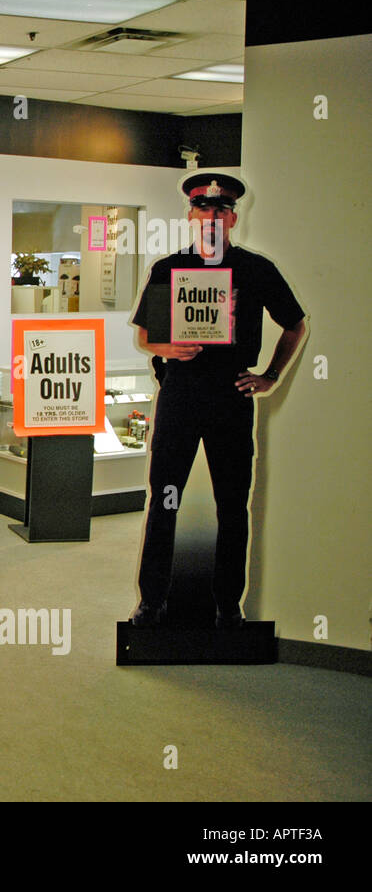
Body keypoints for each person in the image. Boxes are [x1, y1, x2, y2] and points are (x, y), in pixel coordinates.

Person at [129, 172, 307, 628]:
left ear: (233, 217)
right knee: (165, 497)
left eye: (221, 210)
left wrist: (270, 375)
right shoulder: (168, 268)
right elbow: (147, 335)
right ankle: (152, 601)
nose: (212, 217)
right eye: (203, 209)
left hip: (231, 396)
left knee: (233, 502)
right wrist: (167, 349)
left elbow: (295, 324)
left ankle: (229, 604)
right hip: (181, 393)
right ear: (191, 215)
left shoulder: (255, 269)